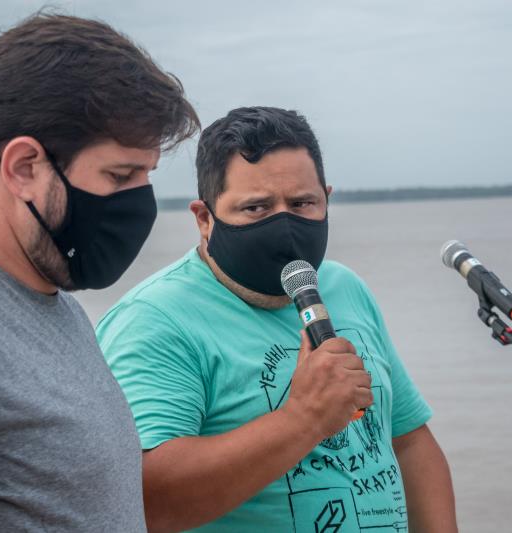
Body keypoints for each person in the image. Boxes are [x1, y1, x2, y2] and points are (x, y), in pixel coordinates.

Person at [0, 13, 198, 532]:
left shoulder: (42, 285)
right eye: (120, 175)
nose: (141, 200)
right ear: (24, 167)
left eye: (147, 175)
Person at [96, 106, 457, 532]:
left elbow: (408, 440)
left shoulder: (343, 286)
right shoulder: (155, 319)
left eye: (303, 203)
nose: (284, 224)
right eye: (256, 208)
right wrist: (304, 419)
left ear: (327, 200)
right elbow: (146, 501)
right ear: (205, 219)